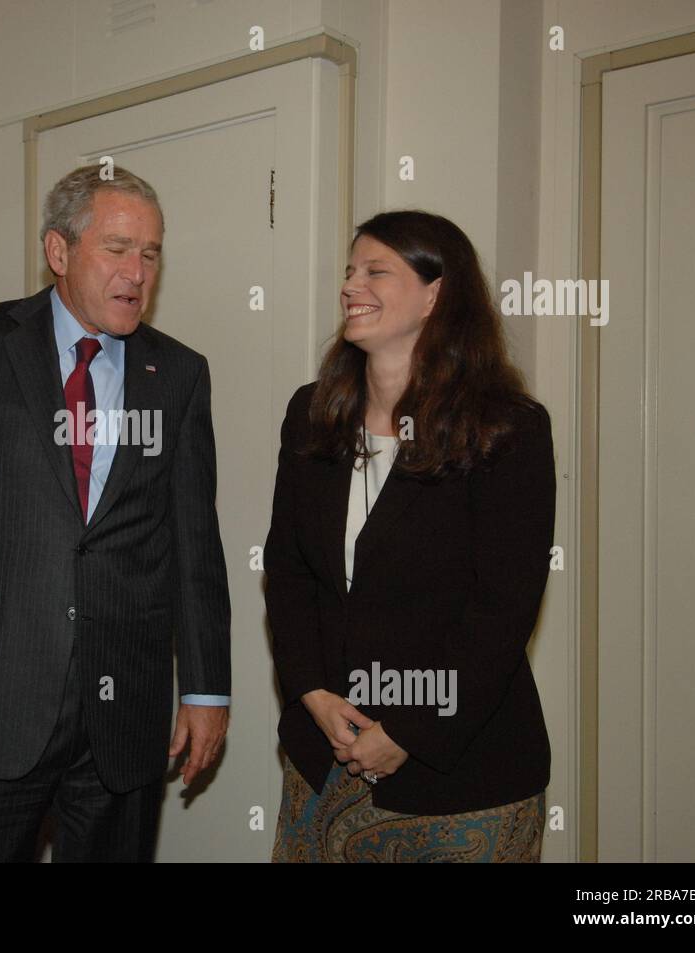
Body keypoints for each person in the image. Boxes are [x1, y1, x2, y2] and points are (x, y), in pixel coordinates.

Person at [0, 164, 231, 862]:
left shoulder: (178, 373)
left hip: (122, 714)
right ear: (59, 252)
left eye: (151, 253)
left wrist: (207, 689)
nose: (137, 271)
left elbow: (194, 543)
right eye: (117, 248)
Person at [266, 210, 555, 862]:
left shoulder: (507, 430)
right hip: (323, 764)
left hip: (464, 781)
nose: (350, 285)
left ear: (436, 293)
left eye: (376, 271)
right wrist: (310, 689)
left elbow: (503, 608)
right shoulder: (312, 414)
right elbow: (287, 569)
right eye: (348, 270)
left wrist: (413, 730)